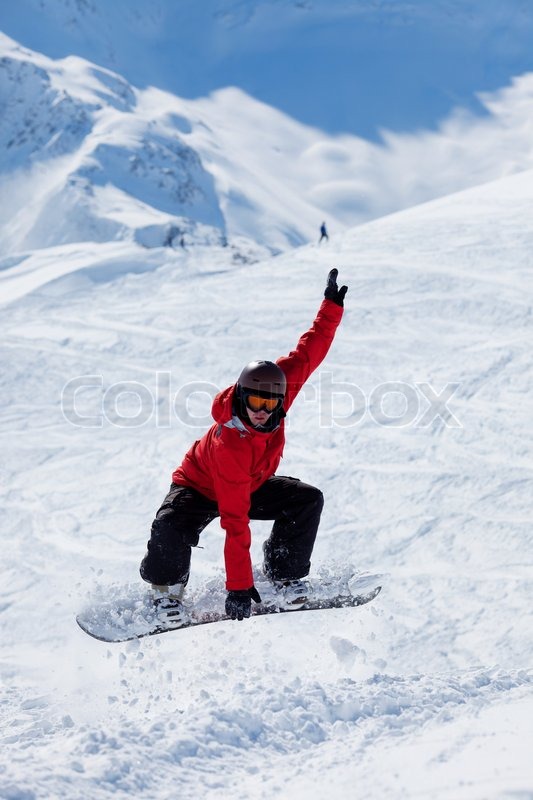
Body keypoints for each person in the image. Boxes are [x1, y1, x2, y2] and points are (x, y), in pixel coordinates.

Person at [140, 269, 348, 621]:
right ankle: (165, 592)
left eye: (270, 404)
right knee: (171, 525)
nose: (262, 412)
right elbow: (235, 521)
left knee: (306, 500)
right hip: (200, 486)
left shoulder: (277, 393)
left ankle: (283, 572)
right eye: (255, 403)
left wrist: (331, 308)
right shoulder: (231, 443)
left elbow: (309, 353)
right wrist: (238, 586)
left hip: (250, 483)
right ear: (240, 396)